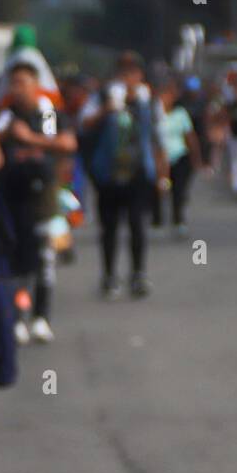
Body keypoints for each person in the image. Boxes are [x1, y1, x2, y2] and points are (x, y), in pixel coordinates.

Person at [0, 62, 77, 343]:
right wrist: (6, 135)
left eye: (22, 82)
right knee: (16, 262)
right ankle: (18, 316)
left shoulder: (48, 113)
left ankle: (41, 317)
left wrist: (31, 140)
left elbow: (66, 144)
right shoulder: (6, 115)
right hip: (12, 198)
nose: (17, 89)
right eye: (13, 83)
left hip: (43, 198)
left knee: (44, 259)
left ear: (35, 84)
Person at [80, 51, 165, 299]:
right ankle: (109, 276)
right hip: (108, 174)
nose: (128, 77)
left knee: (137, 225)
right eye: (123, 72)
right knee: (109, 228)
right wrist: (106, 109)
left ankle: (138, 274)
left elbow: (159, 139)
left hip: (139, 173)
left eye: (133, 72)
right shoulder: (102, 98)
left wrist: (162, 174)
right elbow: (84, 124)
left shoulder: (149, 101)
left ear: (140, 75)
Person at [151, 79, 204, 237]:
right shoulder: (153, 114)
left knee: (178, 190)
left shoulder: (180, 114)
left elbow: (190, 136)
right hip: (158, 157)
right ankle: (157, 219)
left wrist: (197, 158)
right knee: (157, 189)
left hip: (179, 155)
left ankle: (178, 220)